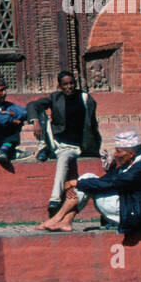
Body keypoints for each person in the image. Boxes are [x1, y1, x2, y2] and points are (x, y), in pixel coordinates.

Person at [35, 131, 141, 233]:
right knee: (87, 179)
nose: (115, 155)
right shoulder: (129, 164)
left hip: (135, 216)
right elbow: (105, 180)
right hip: (126, 208)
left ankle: (57, 218)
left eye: (119, 152)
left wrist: (76, 184)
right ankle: (65, 221)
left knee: (86, 183)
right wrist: (79, 183)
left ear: (131, 154)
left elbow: (113, 183)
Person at [26, 71, 101, 217]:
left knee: (63, 158)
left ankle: (54, 200)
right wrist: (34, 121)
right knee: (40, 113)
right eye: (65, 84)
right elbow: (32, 105)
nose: (69, 87)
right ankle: (43, 147)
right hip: (57, 141)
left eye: (72, 83)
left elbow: (93, 125)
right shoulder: (55, 97)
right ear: (59, 86)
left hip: (75, 146)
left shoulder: (85, 98)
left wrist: (96, 148)